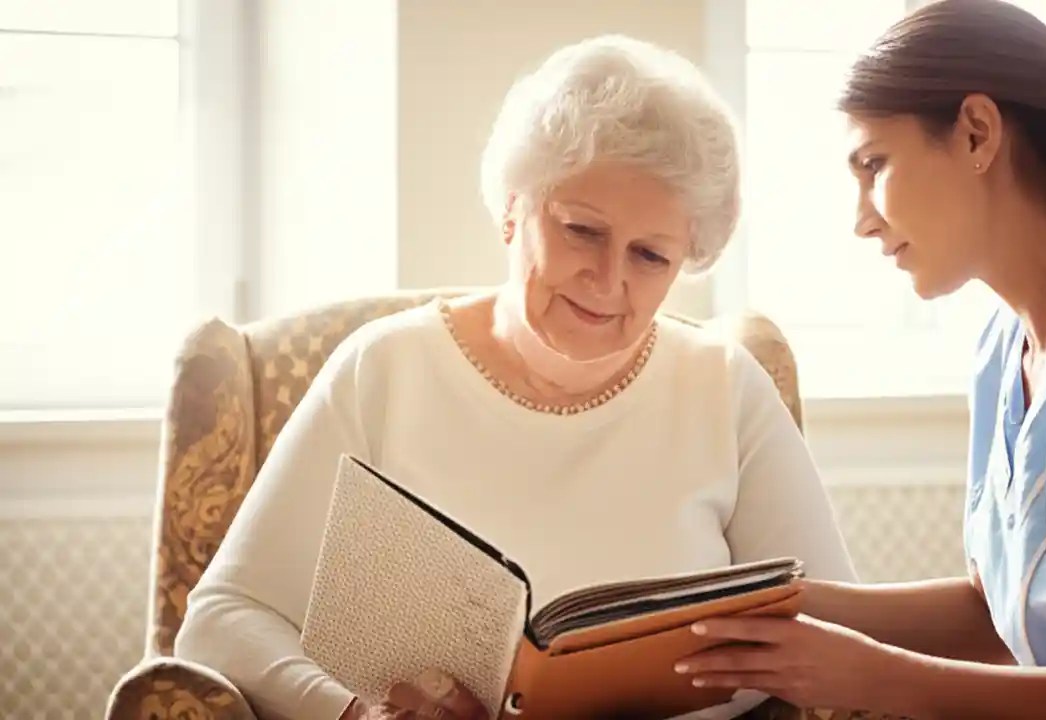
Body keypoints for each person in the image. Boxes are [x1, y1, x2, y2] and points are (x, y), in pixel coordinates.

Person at [173, 35, 857, 720]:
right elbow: (223, 618)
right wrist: (352, 715)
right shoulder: (384, 370)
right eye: (581, 231)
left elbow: (840, 635)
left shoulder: (726, 386)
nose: (609, 279)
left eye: (650, 255)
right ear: (511, 207)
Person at [674, 1, 1046, 718]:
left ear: (976, 133)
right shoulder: (1006, 342)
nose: (862, 218)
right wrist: (779, 606)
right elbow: (993, 613)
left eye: (875, 165)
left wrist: (873, 677)